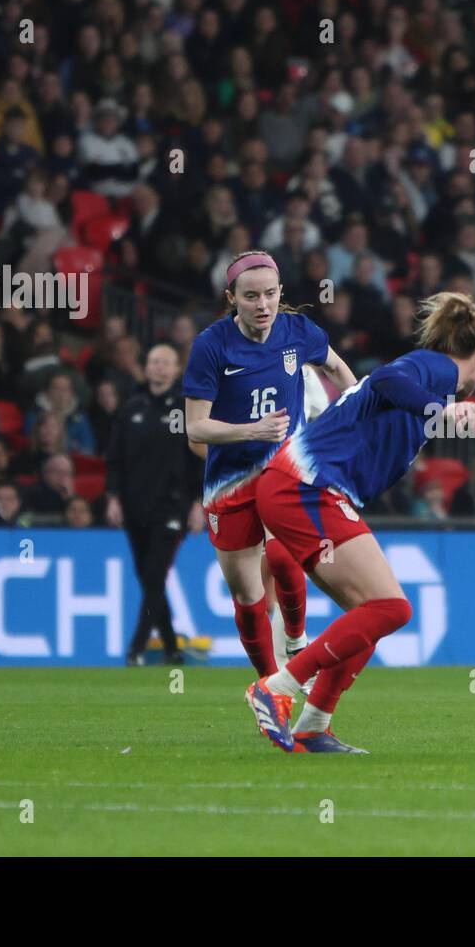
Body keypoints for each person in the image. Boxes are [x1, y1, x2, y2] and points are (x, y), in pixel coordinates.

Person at [245, 292, 475, 754]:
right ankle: (277, 686)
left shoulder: (430, 379)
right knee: (392, 609)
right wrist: (445, 410)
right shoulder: (438, 371)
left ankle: (313, 726)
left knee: (373, 613)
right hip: (307, 485)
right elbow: (385, 380)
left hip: (297, 485)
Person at [184, 250, 356, 683]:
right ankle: (268, 687)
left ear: (281, 293)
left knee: (283, 554)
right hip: (229, 481)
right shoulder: (211, 346)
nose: (262, 305)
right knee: (247, 594)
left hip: (285, 471)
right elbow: (195, 429)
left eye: (270, 295)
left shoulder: (299, 330)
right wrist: (252, 431)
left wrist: (357, 407)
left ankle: (296, 638)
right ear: (232, 298)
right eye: (251, 296)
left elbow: (335, 365)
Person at [105, 343, 204, 665]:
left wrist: (198, 503)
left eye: (166, 362)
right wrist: (113, 497)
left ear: (177, 369)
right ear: (146, 368)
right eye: (154, 361)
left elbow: (198, 459)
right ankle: (172, 648)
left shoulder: (185, 409)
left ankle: (135, 649)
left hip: (171, 507)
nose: (160, 367)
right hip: (135, 505)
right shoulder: (131, 407)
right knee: (149, 577)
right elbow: (115, 459)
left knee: (154, 574)